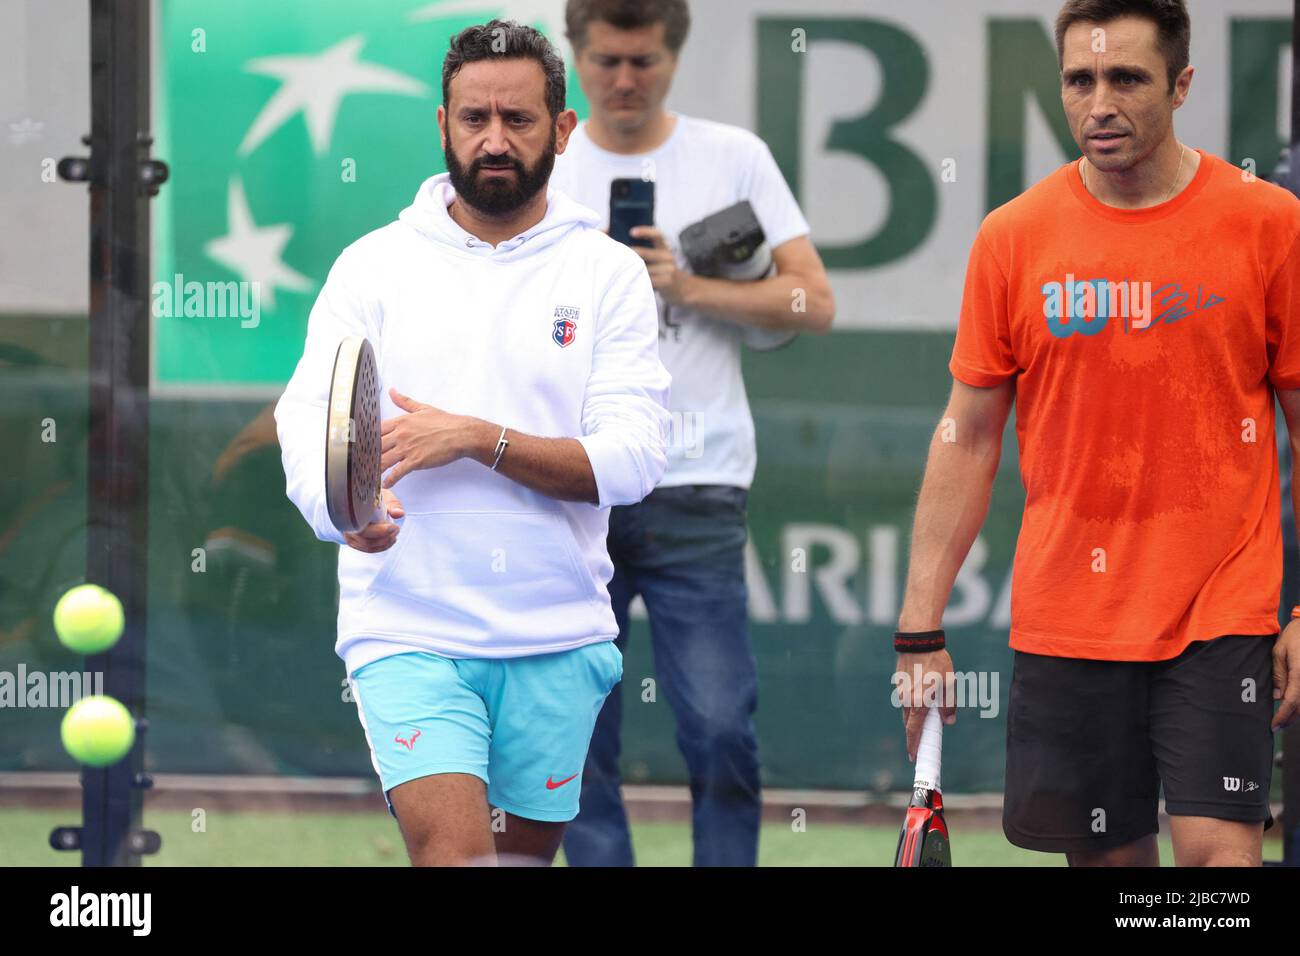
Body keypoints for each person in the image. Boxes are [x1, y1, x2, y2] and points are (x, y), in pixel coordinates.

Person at [894, 0, 1300, 867]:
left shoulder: (1269, 224)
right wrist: (920, 628)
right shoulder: (1013, 238)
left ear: (1182, 85)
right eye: (1081, 79)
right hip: (1069, 617)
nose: (1099, 102)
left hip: (1220, 611)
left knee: (1217, 864)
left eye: (1127, 78)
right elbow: (965, 435)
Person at [274, 19, 670, 866]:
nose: (494, 139)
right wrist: (344, 512)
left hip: (557, 635)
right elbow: (307, 423)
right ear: (443, 125)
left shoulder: (608, 274)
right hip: (407, 629)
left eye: (519, 120)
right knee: (457, 858)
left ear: (563, 130)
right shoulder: (371, 267)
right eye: (473, 118)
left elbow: (634, 460)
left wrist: (479, 439)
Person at [550, 0, 835, 867]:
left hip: (697, 483)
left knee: (717, 727)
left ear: (674, 54)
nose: (625, 80)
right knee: (572, 735)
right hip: (572, 485)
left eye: (643, 61)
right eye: (605, 62)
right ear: (576, 55)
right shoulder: (541, 162)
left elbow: (811, 302)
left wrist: (684, 286)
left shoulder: (730, 156)